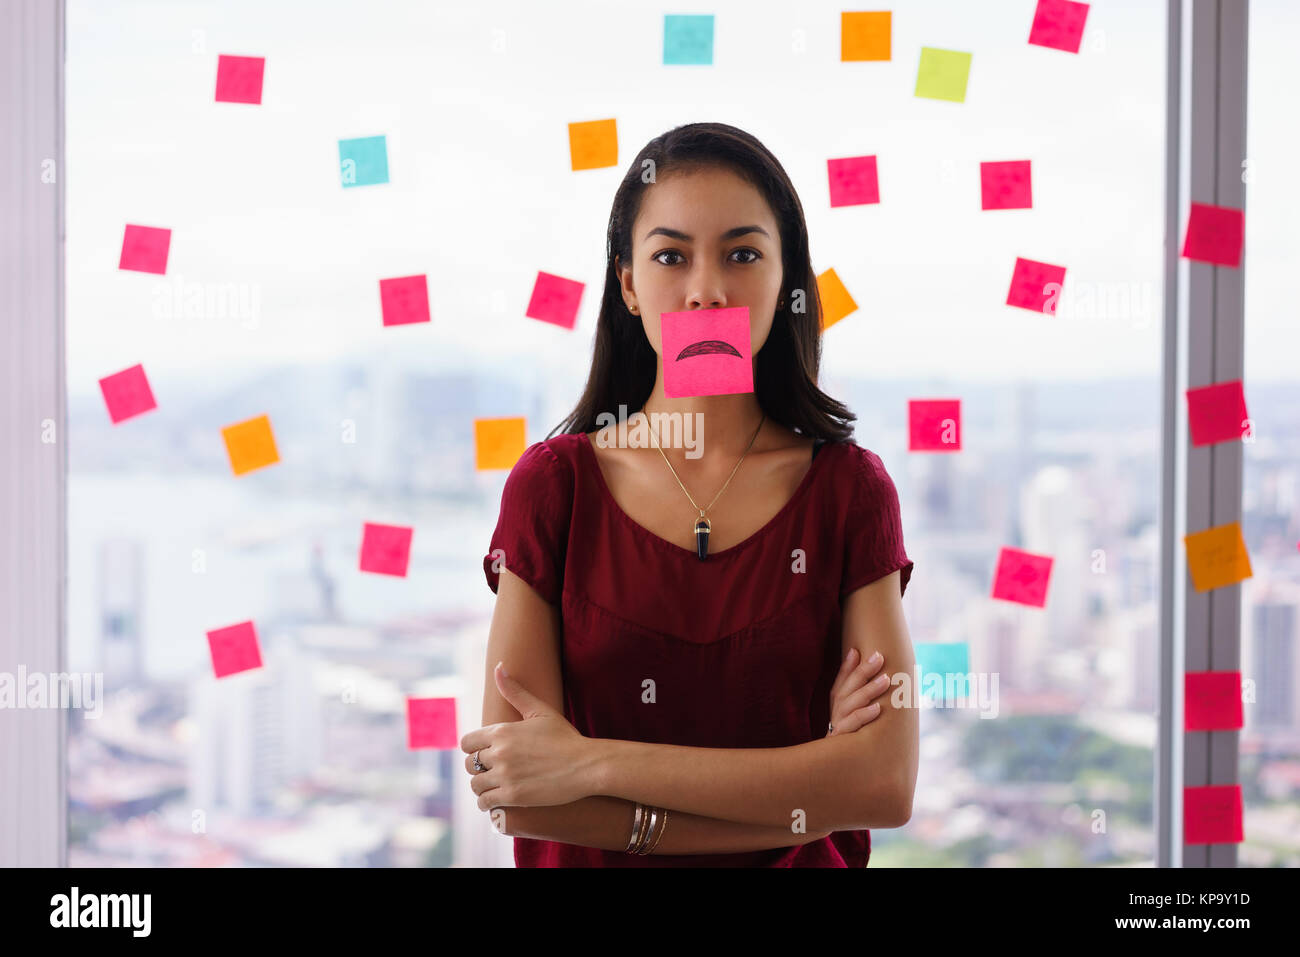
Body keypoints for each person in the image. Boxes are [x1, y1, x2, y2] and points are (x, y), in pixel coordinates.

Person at [464, 121, 917, 866]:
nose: (707, 290)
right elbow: (515, 792)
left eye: (743, 254)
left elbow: (885, 783)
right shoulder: (554, 489)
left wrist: (592, 764)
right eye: (671, 256)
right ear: (630, 287)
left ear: (787, 282)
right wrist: (805, 804)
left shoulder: (850, 492)